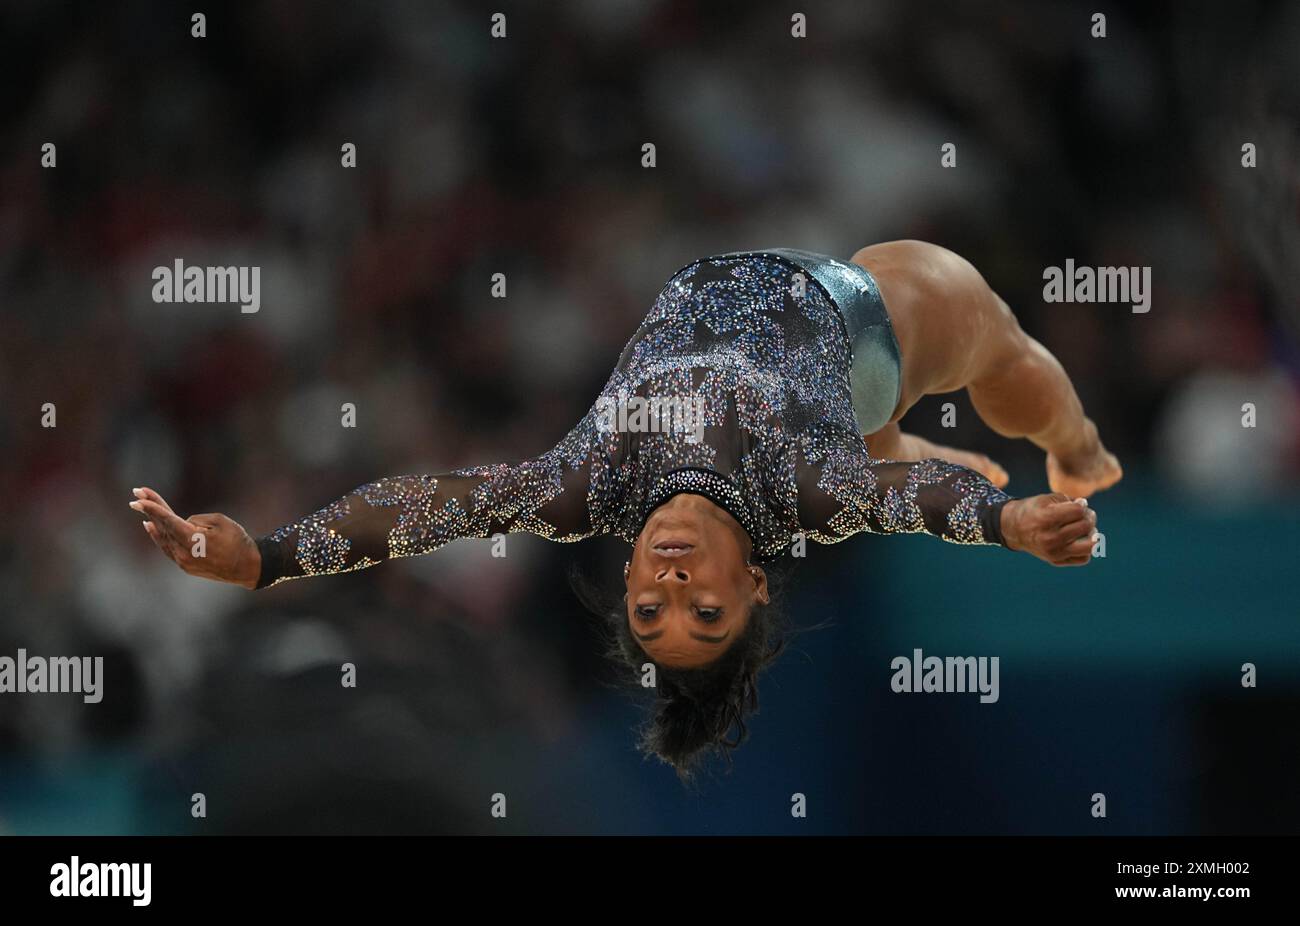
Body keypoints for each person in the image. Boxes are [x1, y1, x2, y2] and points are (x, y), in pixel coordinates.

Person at [131, 240, 1116, 778]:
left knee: (902, 426)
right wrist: (1011, 520)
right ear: (755, 582)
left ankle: (991, 432)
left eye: (652, 611)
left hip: (765, 325)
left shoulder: (586, 485)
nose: (675, 586)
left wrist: (265, 556)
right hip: (852, 324)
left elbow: (431, 503)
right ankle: (1079, 441)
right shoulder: (801, 494)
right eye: (707, 612)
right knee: (989, 337)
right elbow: (908, 499)